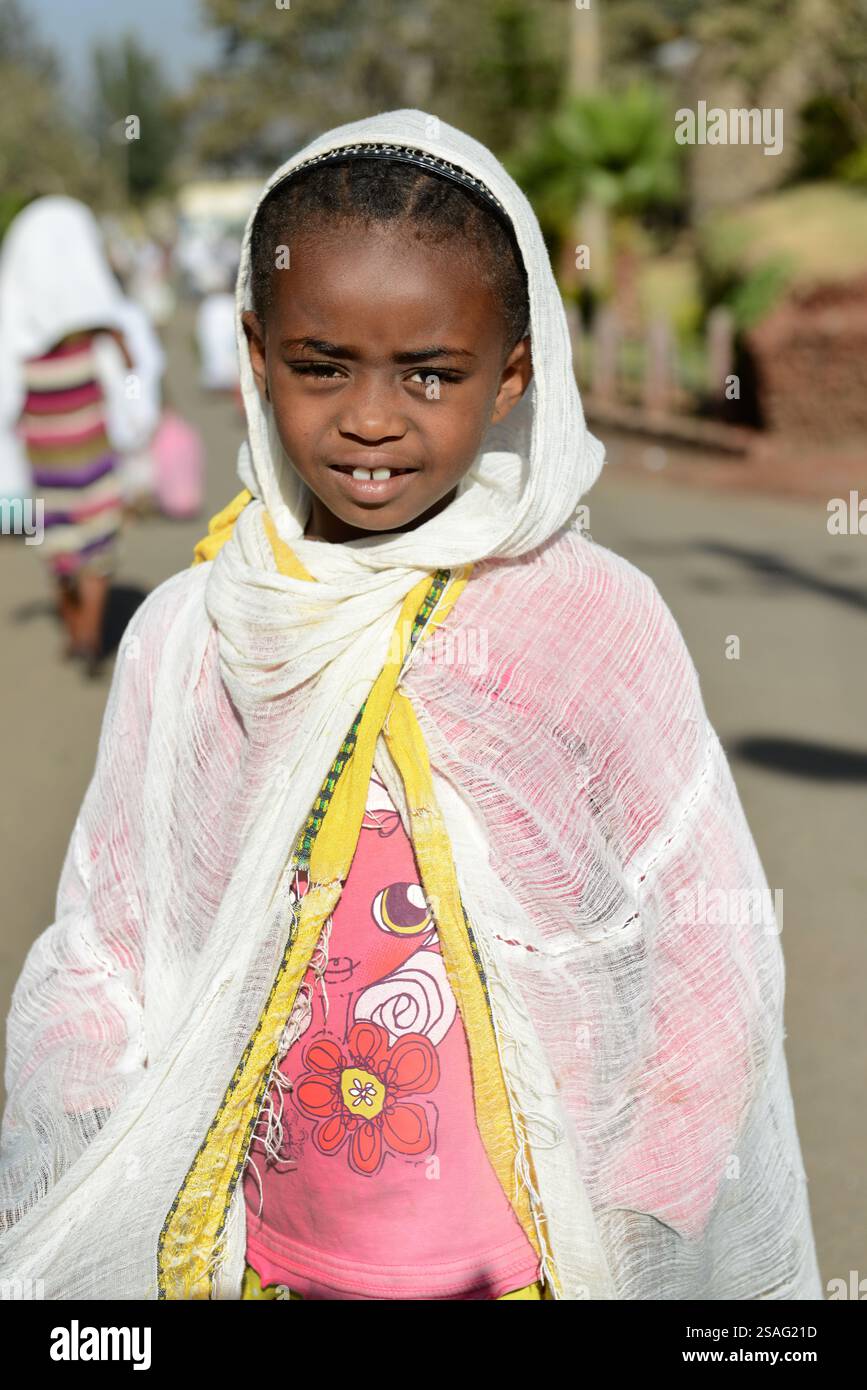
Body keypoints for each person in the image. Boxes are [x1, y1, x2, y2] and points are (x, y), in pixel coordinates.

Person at [0, 110, 823, 1301]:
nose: (373, 418)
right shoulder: (196, 632)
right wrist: (89, 1106)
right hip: (263, 1251)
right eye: (320, 364)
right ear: (254, 350)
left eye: (431, 372)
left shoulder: (588, 616)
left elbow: (706, 929)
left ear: (514, 375)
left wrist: (656, 1181)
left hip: (528, 1260)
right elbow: (110, 929)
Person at [0, 197, 160, 674]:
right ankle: (88, 637)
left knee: (58, 556)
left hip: (43, 475)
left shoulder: (12, 337)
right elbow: (136, 408)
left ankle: (79, 633)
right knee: (97, 556)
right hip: (93, 467)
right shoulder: (110, 332)